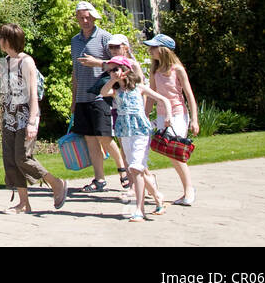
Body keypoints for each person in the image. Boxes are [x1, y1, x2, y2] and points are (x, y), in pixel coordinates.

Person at [0, 23, 67, 213]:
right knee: (11, 160)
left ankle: (56, 184)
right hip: (9, 117)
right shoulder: (6, 61)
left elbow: (33, 94)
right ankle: (24, 203)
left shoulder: (26, 62)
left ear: (8, 40)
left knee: (23, 158)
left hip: (24, 117)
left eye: (0, 37)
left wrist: (32, 121)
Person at [101, 58, 169, 221]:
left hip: (140, 130)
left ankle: (140, 209)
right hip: (125, 130)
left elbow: (164, 99)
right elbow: (103, 92)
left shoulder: (139, 88)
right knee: (135, 168)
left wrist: (168, 116)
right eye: (110, 70)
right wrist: (113, 80)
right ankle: (158, 196)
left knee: (137, 168)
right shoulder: (116, 90)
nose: (113, 72)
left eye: (116, 69)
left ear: (126, 69)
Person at [78, 32, 139, 189]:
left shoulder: (131, 64)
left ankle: (140, 182)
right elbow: (106, 88)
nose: (112, 49)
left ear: (125, 47)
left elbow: (140, 88)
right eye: (110, 47)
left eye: (116, 47)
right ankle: (132, 183)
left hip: (133, 114)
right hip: (118, 111)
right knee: (125, 149)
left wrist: (96, 63)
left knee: (134, 151)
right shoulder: (113, 65)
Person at [145, 34, 199, 205]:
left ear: (163, 50)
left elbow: (189, 95)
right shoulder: (154, 70)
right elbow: (152, 95)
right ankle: (184, 188)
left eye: (153, 48)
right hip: (162, 115)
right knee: (168, 152)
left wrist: (194, 119)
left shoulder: (177, 69)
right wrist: (144, 116)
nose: (150, 50)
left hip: (177, 114)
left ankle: (189, 190)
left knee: (176, 153)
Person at [70, 1, 118, 191]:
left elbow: (118, 64)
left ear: (94, 17)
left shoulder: (105, 37)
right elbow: (75, 71)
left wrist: (97, 63)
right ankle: (99, 179)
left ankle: (124, 172)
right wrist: (73, 100)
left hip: (102, 95)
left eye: (88, 17)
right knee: (90, 139)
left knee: (104, 137)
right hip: (82, 96)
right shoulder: (75, 41)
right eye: (81, 17)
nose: (85, 20)